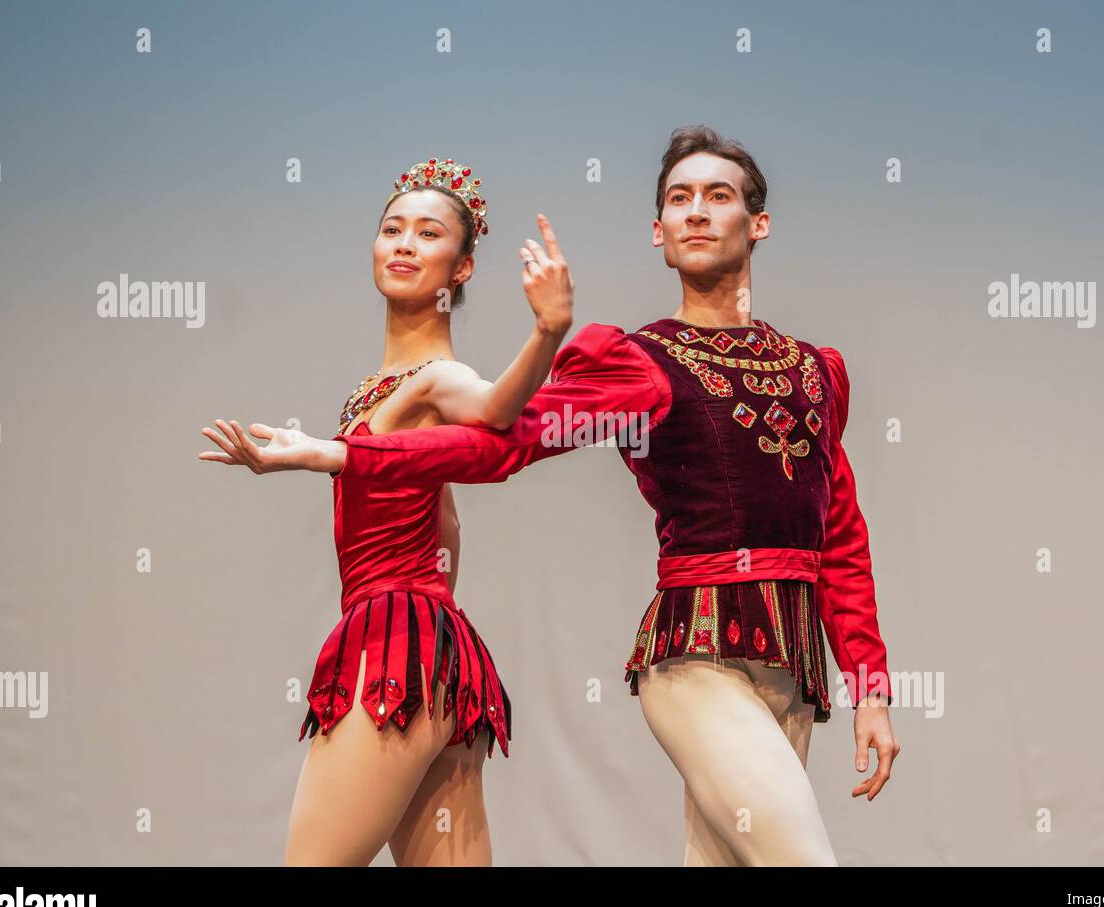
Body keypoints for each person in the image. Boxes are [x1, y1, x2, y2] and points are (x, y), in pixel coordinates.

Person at [231, 127, 900, 866]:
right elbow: (506, 445)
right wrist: (341, 453)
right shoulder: (643, 367)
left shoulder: (816, 372)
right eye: (680, 200)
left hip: (793, 667)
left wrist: (870, 686)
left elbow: (839, 536)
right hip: (698, 658)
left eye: (718, 197)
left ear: (758, 222)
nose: (697, 212)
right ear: (659, 231)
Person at [198, 156, 574, 866]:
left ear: (461, 268)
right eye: (392, 228)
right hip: (437, 653)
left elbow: (495, 410)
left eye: (429, 234)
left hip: (393, 646)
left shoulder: (438, 379)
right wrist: (436, 630)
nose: (404, 243)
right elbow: (450, 525)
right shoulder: (379, 387)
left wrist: (548, 331)